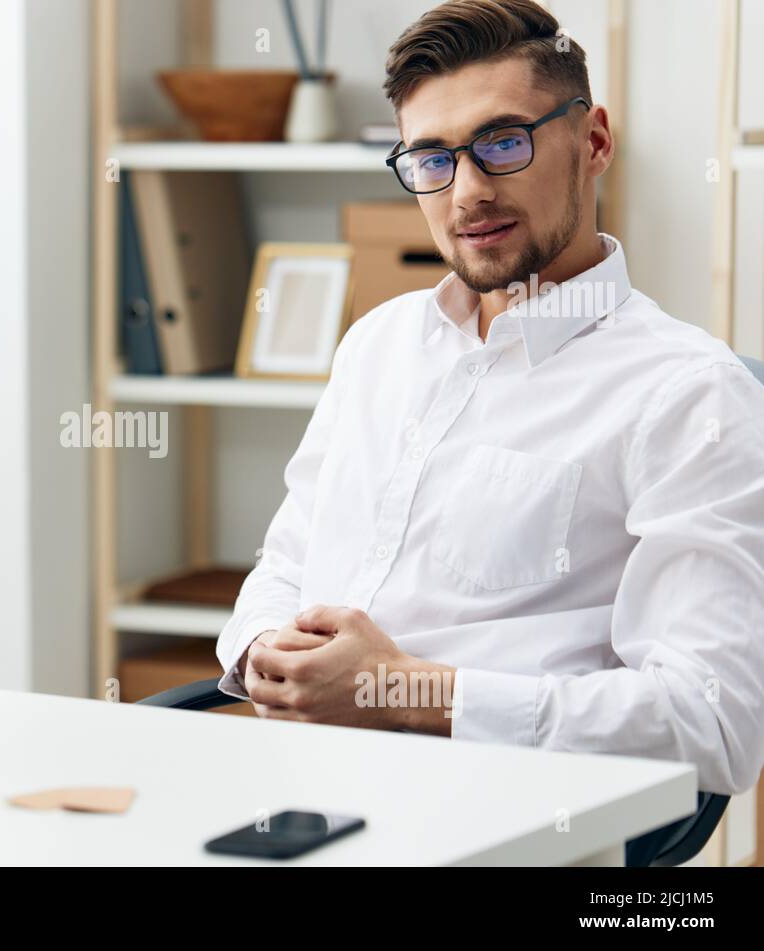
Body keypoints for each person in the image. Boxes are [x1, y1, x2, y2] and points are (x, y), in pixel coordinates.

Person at [216, 0, 764, 798]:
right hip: (299, 781)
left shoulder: (686, 394)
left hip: (496, 808)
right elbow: (289, 560)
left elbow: (714, 724)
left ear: (594, 141)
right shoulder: (378, 343)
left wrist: (407, 691)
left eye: (503, 143)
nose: (466, 192)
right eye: (431, 158)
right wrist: (265, 647)